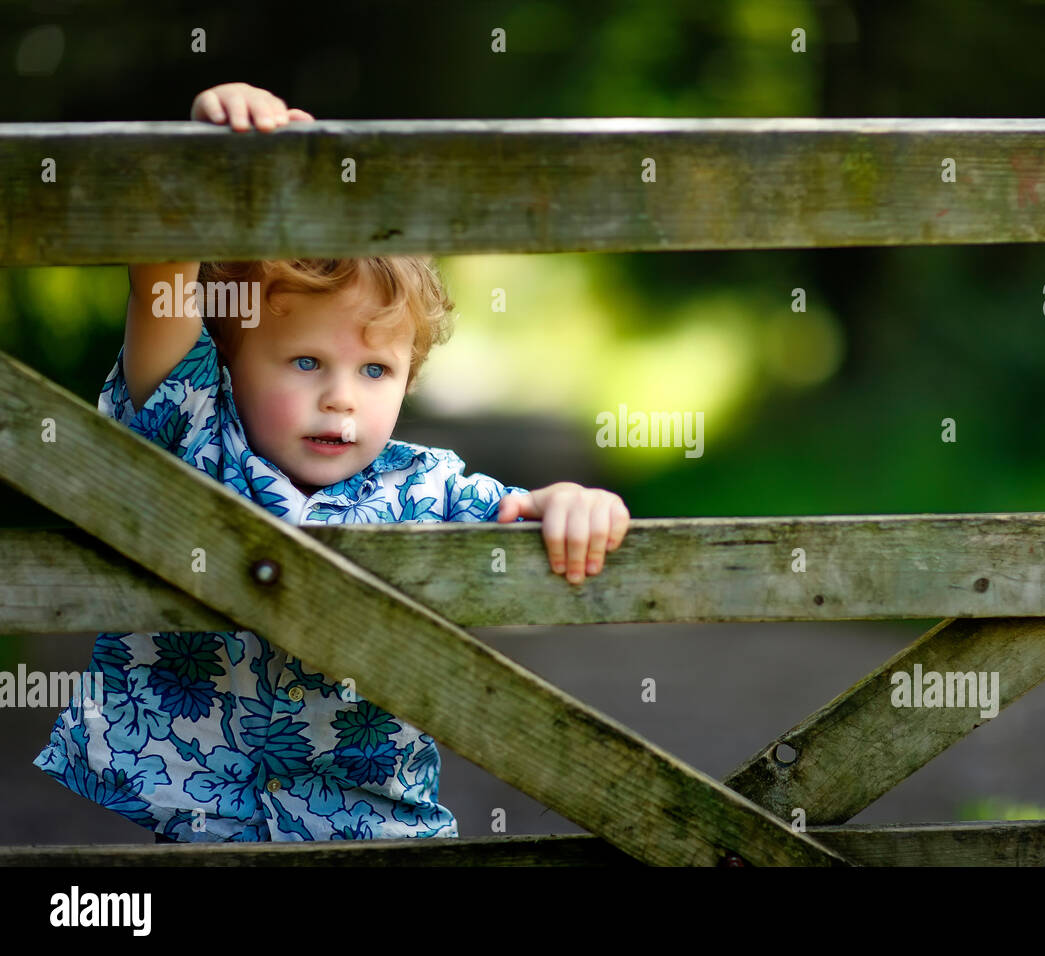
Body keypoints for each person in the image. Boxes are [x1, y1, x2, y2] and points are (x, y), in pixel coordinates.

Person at [33, 82, 630, 842]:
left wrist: (576, 501)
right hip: (199, 824)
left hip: (370, 829)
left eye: (375, 371)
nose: (341, 399)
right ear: (229, 356)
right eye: (306, 361)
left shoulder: (425, 484)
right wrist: (205, 150)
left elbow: (524, 510)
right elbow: (161, 278)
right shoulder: (192, 435)